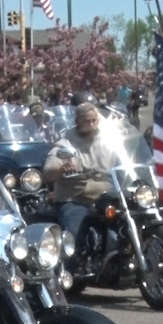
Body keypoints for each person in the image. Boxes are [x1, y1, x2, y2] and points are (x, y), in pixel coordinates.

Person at [43, 102, 119, 272]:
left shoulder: (108, 141)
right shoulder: (65, 144)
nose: (92, 125)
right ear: (77, 121)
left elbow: (125, 158)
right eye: (87, 121)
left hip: (106, 196)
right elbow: (49, 172)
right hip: (75, 198)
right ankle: (69, 274)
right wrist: (61, 169)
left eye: (94, 121)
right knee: (76, 233)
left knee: (132, 217)